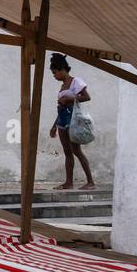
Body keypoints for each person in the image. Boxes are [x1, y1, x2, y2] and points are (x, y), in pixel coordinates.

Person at [48, 52, 95, 191]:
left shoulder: (76, 82)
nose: (54, 76)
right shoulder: (62, 86)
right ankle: (69, 183)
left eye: (55, 73)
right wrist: (54, 126)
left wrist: (68, 99)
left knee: (76, 151)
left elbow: (87, 97)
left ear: (62, 69)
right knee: (67, 152)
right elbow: (60, 108)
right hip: (62, 119)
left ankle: (90, 182)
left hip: (72, 119)